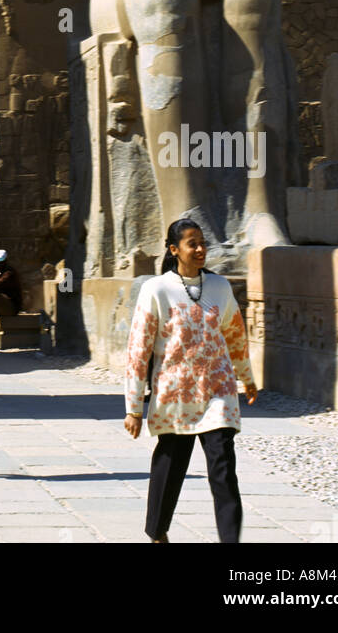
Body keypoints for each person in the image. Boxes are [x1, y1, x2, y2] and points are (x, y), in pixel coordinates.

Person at [124, 217, 257, 544]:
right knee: (170, 466)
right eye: (192, 243)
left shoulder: (220, 287)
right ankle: (157, 532)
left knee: (223, 470)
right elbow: (138, 349)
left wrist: (247, 378)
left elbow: (235, 335)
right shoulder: (155, 289)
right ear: (174, 249)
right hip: (175, 395)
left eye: (202, 243)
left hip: (218, 392)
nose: (200, 249)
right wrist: (133, 408)